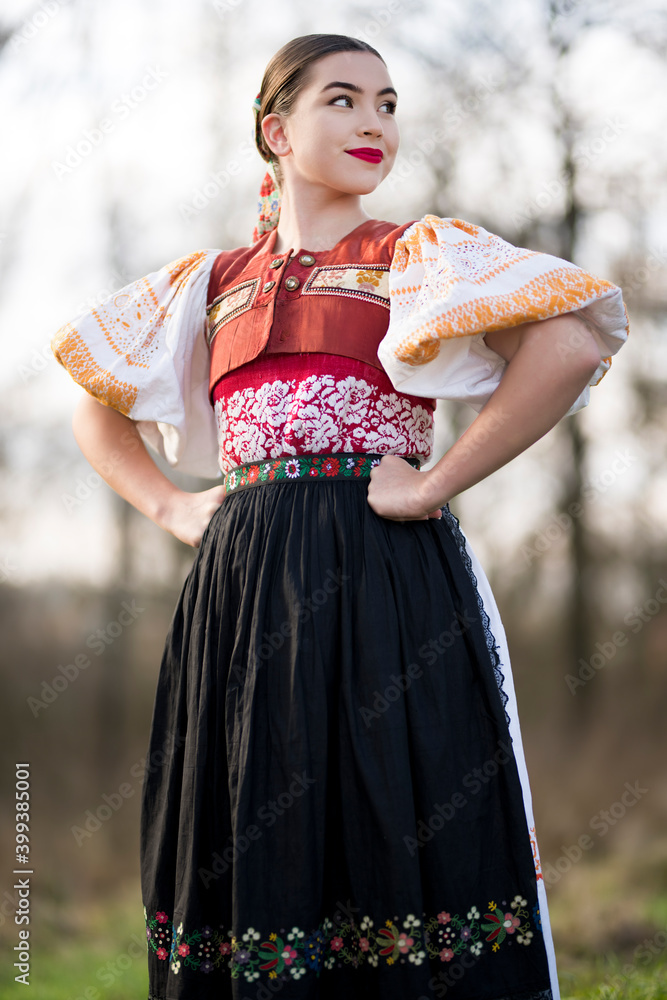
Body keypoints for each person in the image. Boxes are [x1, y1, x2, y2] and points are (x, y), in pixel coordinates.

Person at [51, 32, 628, 1000]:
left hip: (381, 567)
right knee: (252, 801)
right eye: (344, 100)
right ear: (276, 131)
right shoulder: (210, 284)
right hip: (241, 583)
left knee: (397, 794)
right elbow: (94, 407)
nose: (375, 122)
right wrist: (171, 506)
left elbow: (567, 345)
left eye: (388, 104)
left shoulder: (414, 257)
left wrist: (434, 483)